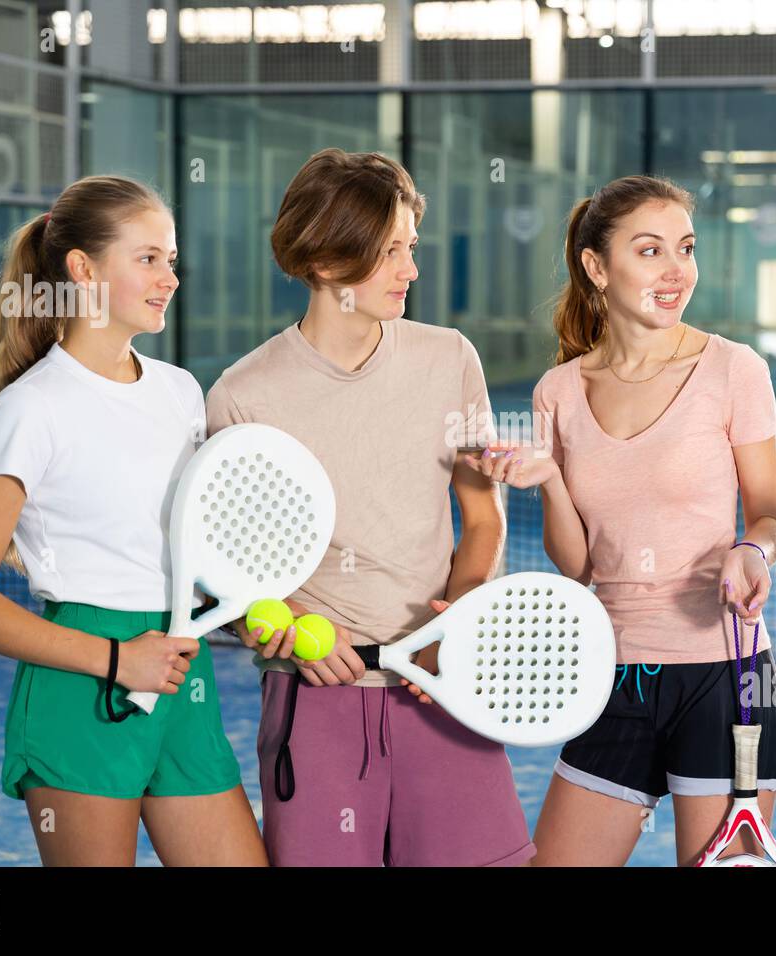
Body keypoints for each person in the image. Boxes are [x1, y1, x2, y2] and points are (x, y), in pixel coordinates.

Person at [210, 148, 534, 867]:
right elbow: (236, 571)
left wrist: (461, 614)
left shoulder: (451, 358)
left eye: (409, 249)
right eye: (390, 252)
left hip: (441, 690)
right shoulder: (241, 395)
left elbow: (482, 517)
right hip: (317, 698)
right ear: (325, 260)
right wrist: (293, 624)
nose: (411, 270)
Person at [0, 175, 266, 866]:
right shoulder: (31, 410)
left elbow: (174, 547)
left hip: (179, 671)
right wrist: (117, 660)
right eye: (147, 259)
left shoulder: (179, 392)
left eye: (171, 259)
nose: (169, 277)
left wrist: (234, 607)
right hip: (84, 680)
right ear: (82, 269)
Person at [466, 175, 776, 866]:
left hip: (726, 677)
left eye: (686, 248)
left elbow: (767, 515)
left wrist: (752, 550)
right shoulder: (559, 390)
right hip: (614, 674)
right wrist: (550, 478)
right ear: (596, 266)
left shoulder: (734, 369)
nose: (677, 270)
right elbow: (579, 565)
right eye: (650, 251)